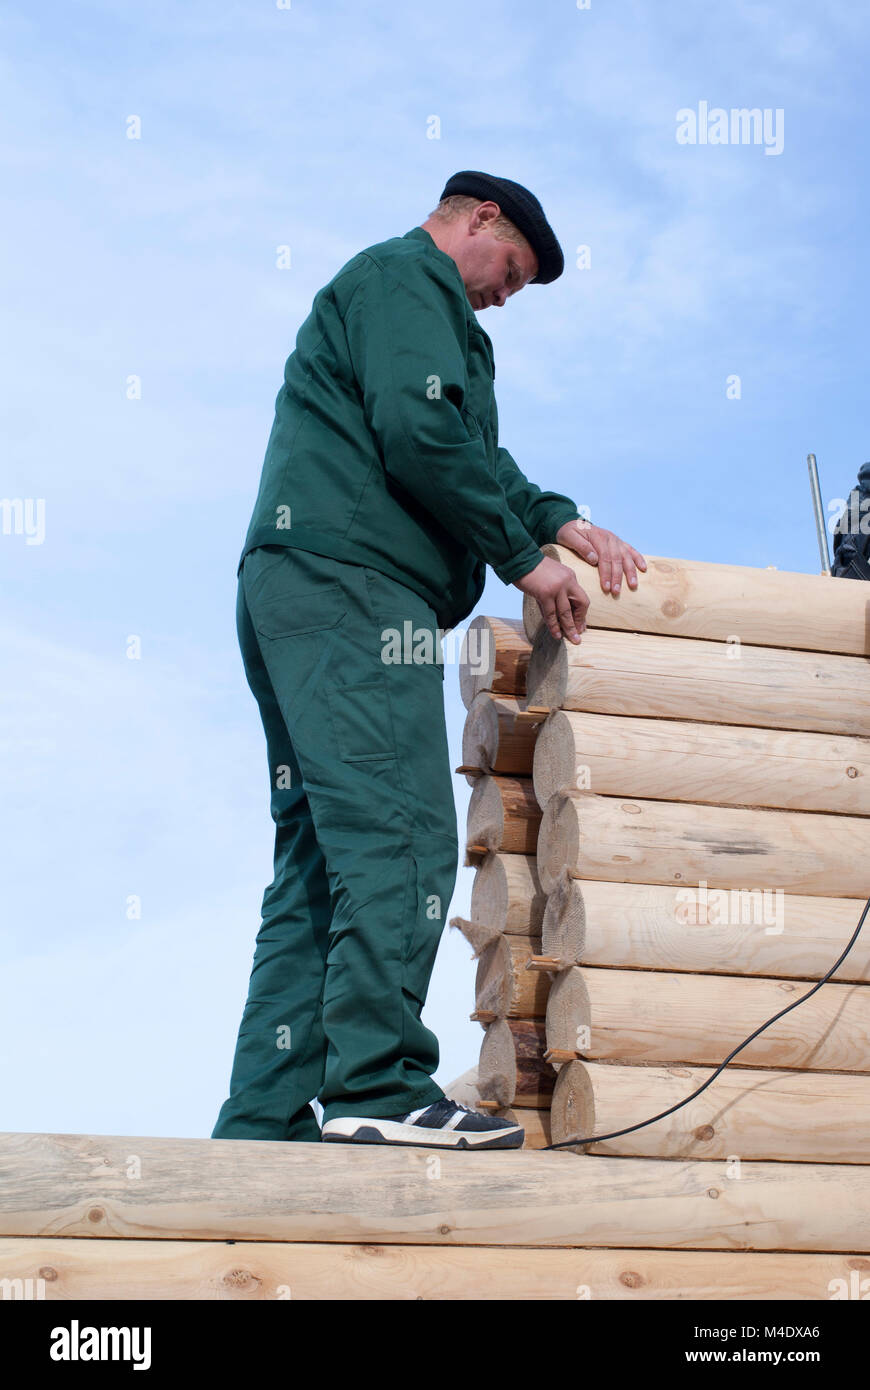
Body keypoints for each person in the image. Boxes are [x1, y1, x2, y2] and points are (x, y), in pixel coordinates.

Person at [211, 170, 645, 1151]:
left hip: (301, 588)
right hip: (352, 590)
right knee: (401, 833)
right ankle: (377, 1081)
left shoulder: (415, 306)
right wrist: (526, 562)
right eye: (511, 271)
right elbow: (419, 431)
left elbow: (470, 453)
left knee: (322, 868)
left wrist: (561, 521)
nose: (505, 294)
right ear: (478, 220)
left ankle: (262, 1125)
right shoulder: (412, 280)